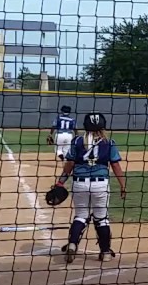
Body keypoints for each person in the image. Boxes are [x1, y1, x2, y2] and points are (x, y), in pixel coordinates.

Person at [55, 112, 128, 263]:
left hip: (79, 183)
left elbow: (69, 165)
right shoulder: (109, 142)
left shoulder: (77, 141)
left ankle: (73, 244)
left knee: (81, 215)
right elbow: (115, 165)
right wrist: (123, 185)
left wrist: (60, 182)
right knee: (101, 218)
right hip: (100, 184)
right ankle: (105, 252)